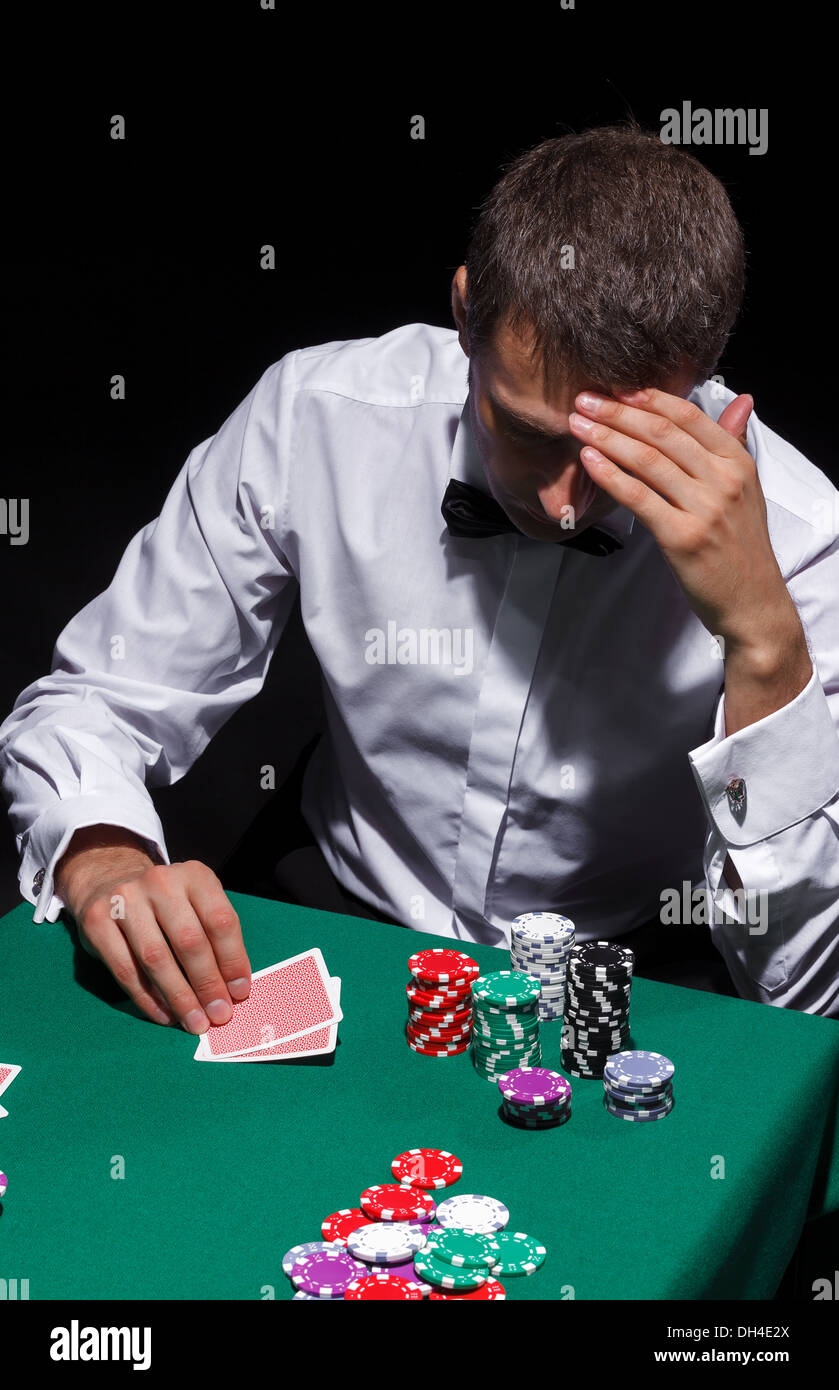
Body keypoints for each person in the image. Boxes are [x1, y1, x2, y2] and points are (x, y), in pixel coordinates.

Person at [2, 123, 838, 1033]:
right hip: (335, 908)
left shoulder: (802, 537)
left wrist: (763, 642)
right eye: (527, 431)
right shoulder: (316, 418)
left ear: (710, 385)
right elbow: (99, 697)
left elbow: (799, 998)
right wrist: (103, 853)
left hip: (641, 965)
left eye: (615, 451)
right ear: (465, 310)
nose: (564, 502)